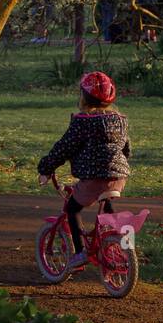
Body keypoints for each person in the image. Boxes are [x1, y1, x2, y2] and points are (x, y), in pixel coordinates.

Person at [37, 71, 131, 272]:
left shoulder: (82, 121)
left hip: (93, 179)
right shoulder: (120, 119)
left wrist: (46, 168)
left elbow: (64, 147)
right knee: (105, 201)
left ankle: (80, 253)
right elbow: (126, 148)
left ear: (83, 97)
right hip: (118, 177)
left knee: (72, 209)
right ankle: (116, 241)